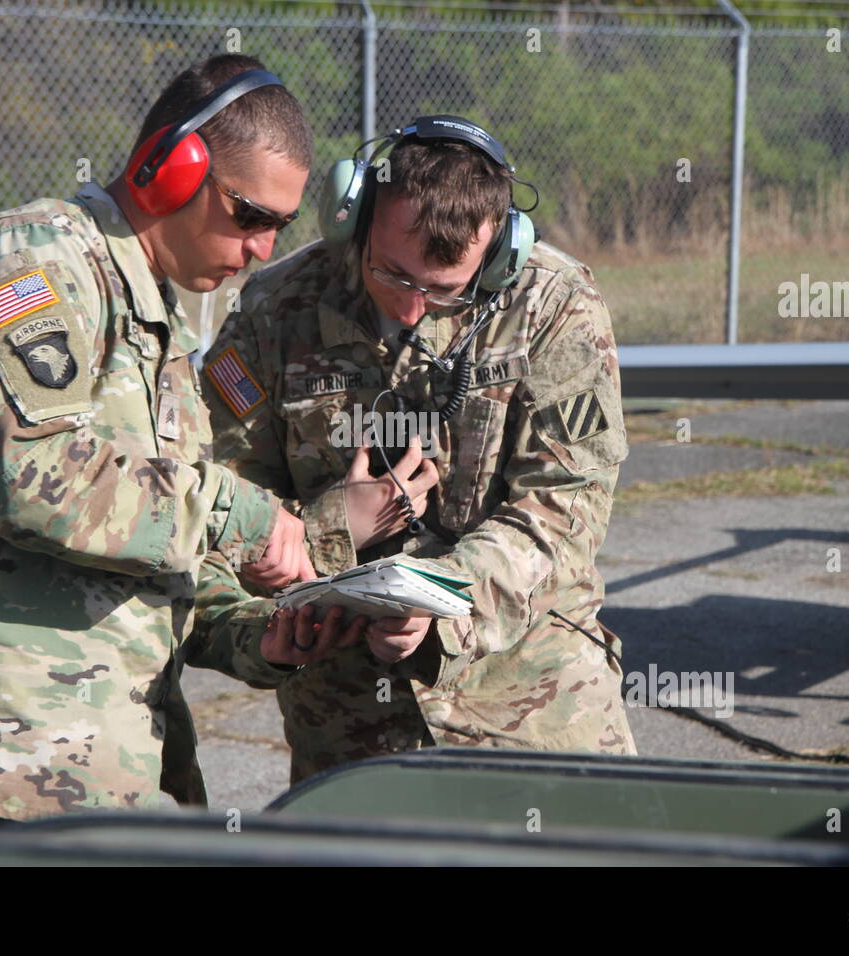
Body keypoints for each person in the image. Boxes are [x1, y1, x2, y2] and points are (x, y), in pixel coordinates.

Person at [0, 55, 361, 838]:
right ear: (171, 170)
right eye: (251, 215)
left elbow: (149, 551)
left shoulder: (153, 323)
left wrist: (258, 635)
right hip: (7, 761)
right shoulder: (33, 260)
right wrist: (247, 514)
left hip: (100, 763)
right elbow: (25, 475)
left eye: (281, 226)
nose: (265, 248)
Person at [201, 115, 636, 782]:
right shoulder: (275, 309)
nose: (411, 308)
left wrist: (441, 605)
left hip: (532, 708)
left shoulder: (553, 305)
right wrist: (315, 541)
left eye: (442, 289)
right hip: (347, 726)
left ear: (498, 254)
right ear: (355, 218)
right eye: (392, 273)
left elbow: (566, 505)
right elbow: (220, 493)